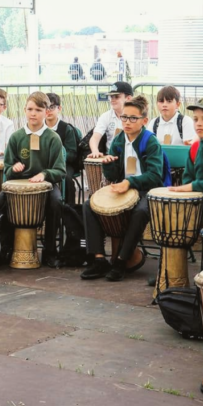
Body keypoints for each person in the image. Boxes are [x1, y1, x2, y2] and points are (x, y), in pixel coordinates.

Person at [81, 95, 162, 281]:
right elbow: (112, 176)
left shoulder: (150, 141)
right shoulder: (118, 141)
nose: (127, 121)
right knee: (89, 205)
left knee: (140, 211)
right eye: (124, 117)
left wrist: (130, 183)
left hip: (147, 190)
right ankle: (99, 259)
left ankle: (121, 260)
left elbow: (155, 176)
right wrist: (108, 165)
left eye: (133, 118)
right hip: (123, 187)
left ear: (144, 120)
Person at [0, 91, 66, 268]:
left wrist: (44, 174)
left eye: (39, 110)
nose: (33, 113)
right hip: (19, 185)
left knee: (56, 202)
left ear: (47, 112)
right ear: (24, 110)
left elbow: (60, 170)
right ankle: (5, 247)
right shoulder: (17, 137)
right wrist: (14, 169)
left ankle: (50, 250)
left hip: (46, 185)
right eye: (30, 109)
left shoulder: (53, 138)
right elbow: (7, 168)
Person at [45, 93, 80, 206]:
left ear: (59, 108)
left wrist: (57, 157)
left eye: (52, 107)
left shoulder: (66, 128)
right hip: (43, 163)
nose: (48, 110)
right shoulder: (38, 128)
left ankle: (69, 210)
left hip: (64, 164)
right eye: (45, 107)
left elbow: (72, 154)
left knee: (67, 178)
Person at [88, 82, 133, 159]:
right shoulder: (105, 116)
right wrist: (95, 151)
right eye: (111, 97)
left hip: (132, 157)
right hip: (111, 157)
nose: (112, 100)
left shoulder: (136, 116)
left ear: (128, 98)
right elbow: (95, 138)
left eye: (117, 97)